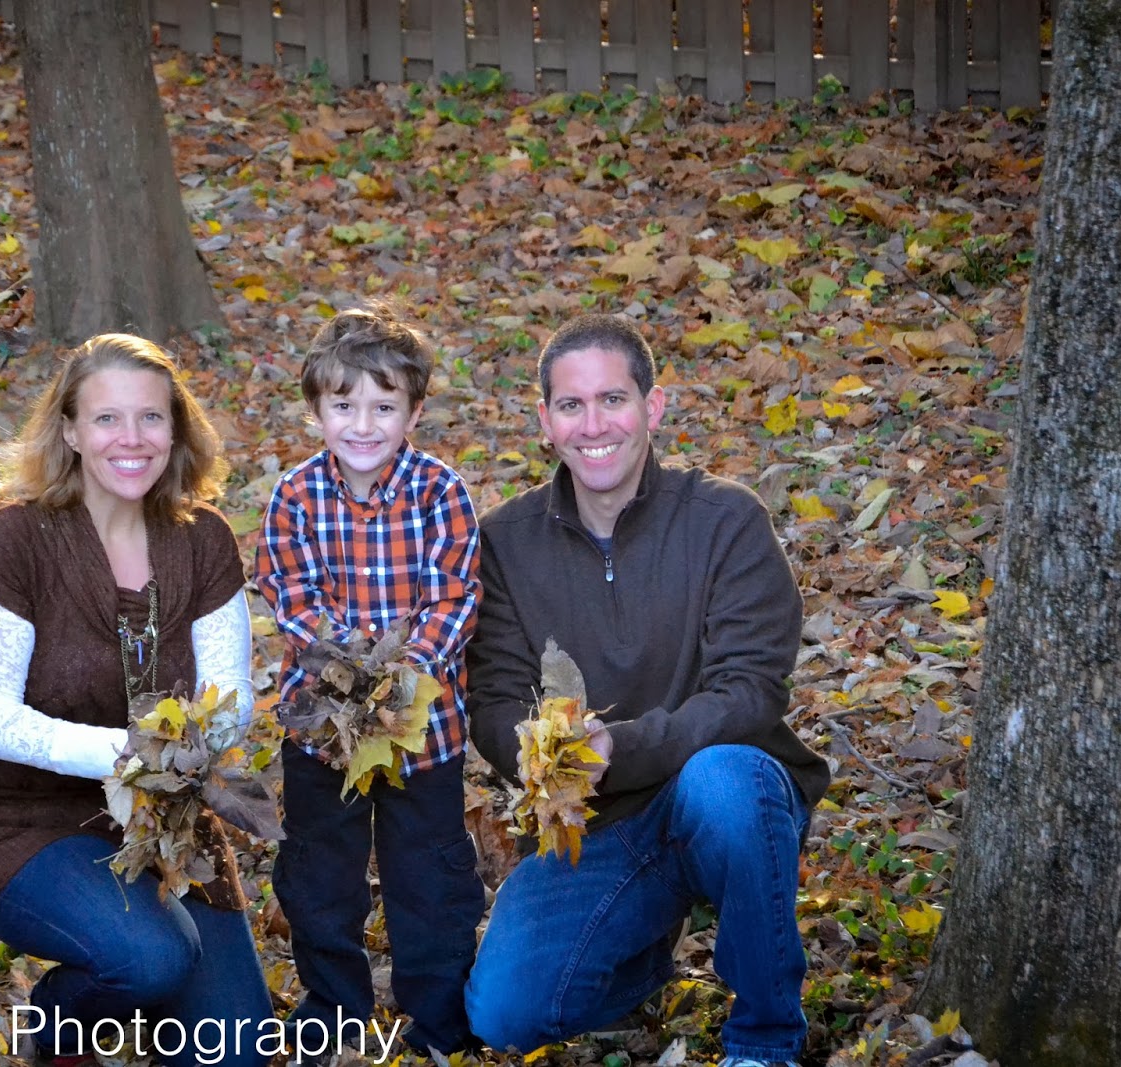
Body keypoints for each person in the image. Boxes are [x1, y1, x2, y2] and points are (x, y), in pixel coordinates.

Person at [462, 314, 831, 1067]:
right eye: (572, 405)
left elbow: (750, 693)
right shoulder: (504, 541)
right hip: (598, 822)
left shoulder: (726, 520)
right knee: (505, 1012)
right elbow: (494, 701)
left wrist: (620, 747)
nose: (594, 424)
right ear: (545, 422)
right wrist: (554, 758)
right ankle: (643, 945)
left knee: (726, 781)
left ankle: (765, 1039)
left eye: (614, 399)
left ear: (653, 408)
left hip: (720, 798)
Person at [0, 334, 273, 1067]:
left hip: (166, 828)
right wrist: (126, 754)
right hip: (25, 824)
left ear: (176, 429)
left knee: (239, 1053)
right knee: (152, 957)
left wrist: (193, 747)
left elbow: (230, 694)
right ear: (68, 429)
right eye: (107, 419)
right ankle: (62, 1028)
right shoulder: (12, 541)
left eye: (151, 418)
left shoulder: (203, 539)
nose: (132, 439)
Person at [254, 306, 486, 1061]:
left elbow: (454, 596)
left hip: (426, 731)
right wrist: (351, 677)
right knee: (321, 877)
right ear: (317, 407)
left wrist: (401, 678)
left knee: (431, 880)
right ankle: (333, 1006)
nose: (363, 424)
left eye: (384, 406)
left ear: (414, 411)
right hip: (324, 733)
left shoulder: (440, 491)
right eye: (343, 404)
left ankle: (437, 1021)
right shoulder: (294, 497)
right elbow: (292, 596)